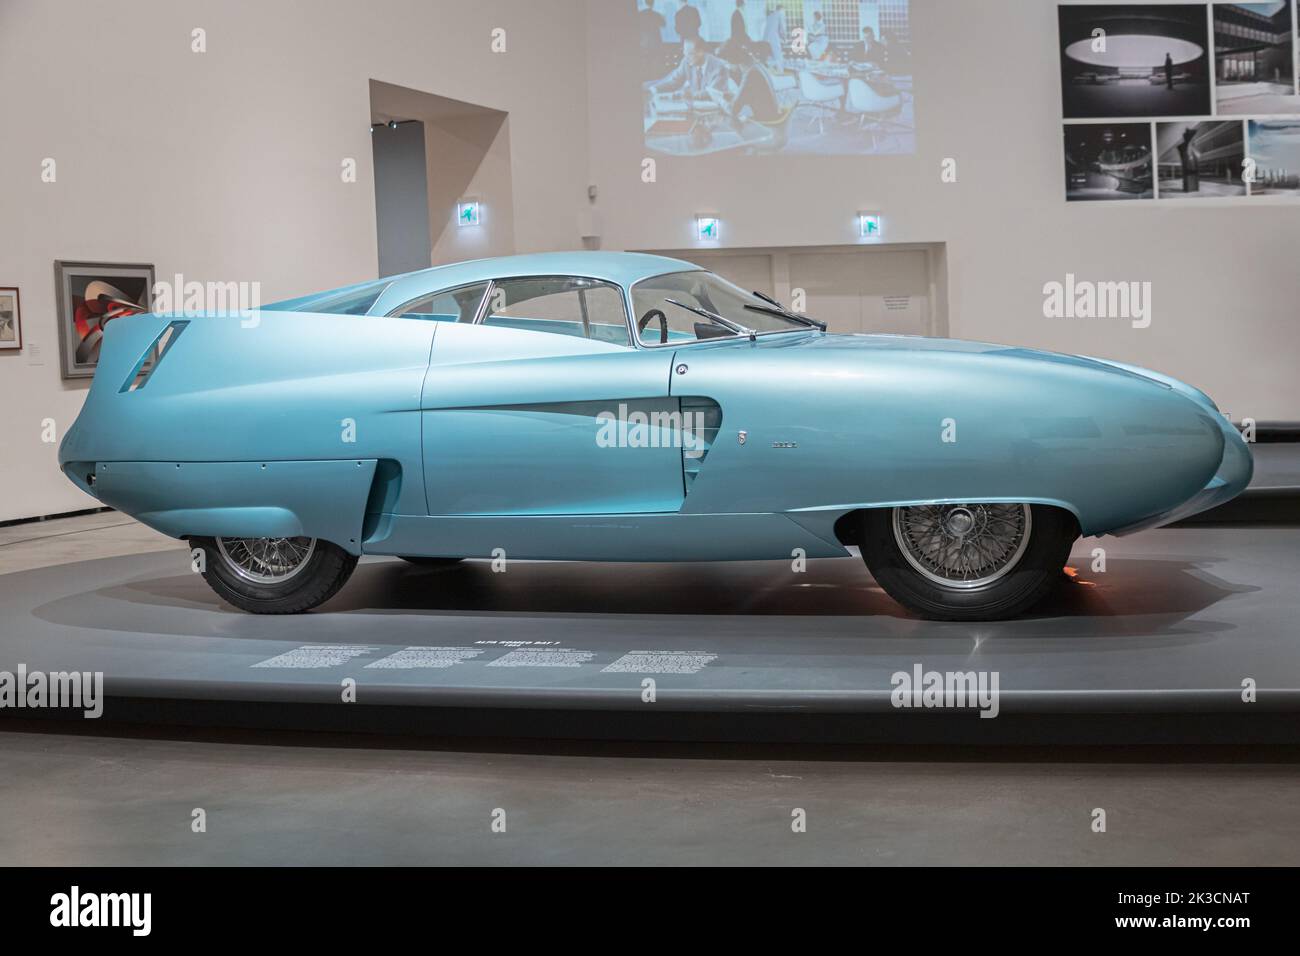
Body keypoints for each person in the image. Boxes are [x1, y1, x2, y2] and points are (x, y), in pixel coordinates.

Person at [646, 37, 731, 103]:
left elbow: (711, 93)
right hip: (695, 108)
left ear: (701, 52)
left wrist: (686, 95)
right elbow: (675, 82)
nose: (686, 57)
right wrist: (653, 89)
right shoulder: (686, 61)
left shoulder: (719, 67)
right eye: (685, 53)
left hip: (716, 111)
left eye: (690, 54)